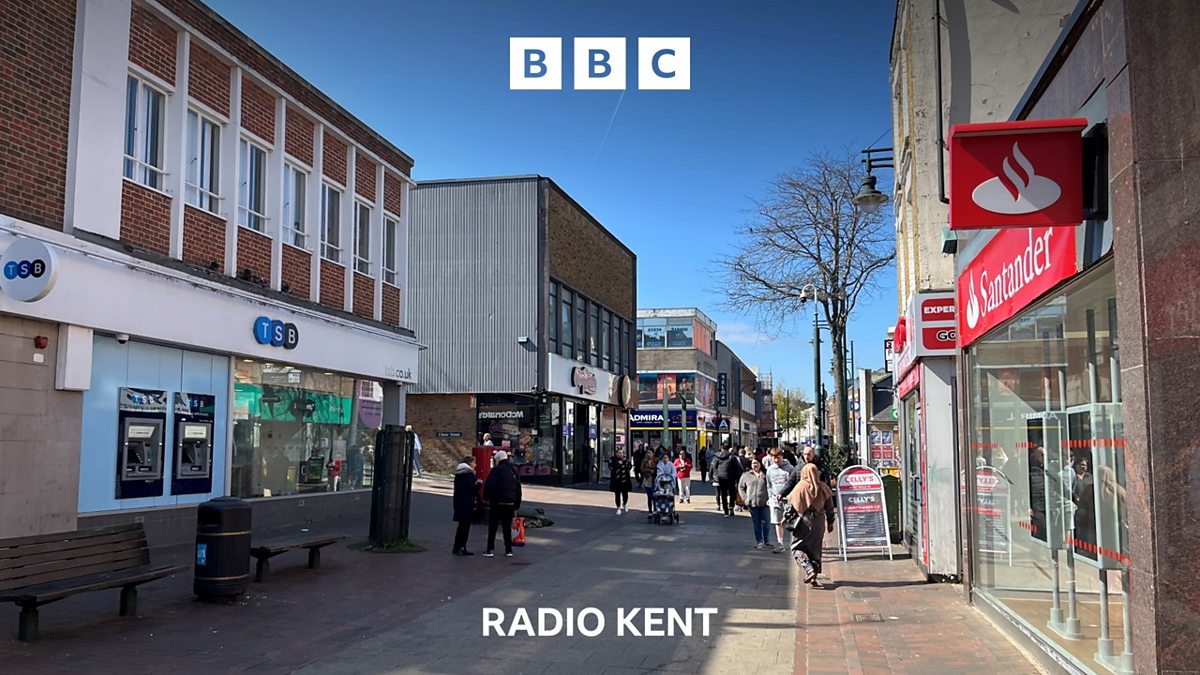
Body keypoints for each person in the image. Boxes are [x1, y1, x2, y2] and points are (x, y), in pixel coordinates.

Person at [787, 447, 836, 586]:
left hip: (804, 521)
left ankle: (809, 570)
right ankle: (814, 576)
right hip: (819, 522)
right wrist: (830, 522)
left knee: (797, 547)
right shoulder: (823, 487)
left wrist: (786, 517)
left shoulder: (800, 487)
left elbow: (792, 505)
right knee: (815, 548)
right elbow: (830, 506)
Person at [482, 450, 522, 558]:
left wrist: (486, 497)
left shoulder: (496, 470)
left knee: (493, 527)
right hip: (510, 503)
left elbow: (489, 486)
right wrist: (516, 505)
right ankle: (508, 550)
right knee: (506, 527)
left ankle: (490, 549)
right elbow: (518, 489)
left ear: (498, 459)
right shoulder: (514, 471)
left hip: (497, 502)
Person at [766, 450, 798, 552]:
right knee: (778, 521)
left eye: (778, 457)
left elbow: (794, 483)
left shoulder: (790, 468)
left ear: (781, 456)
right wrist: (770, 497)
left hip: (788, 500)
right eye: (774, 458)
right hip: (775, 500)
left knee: (792, 522)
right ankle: (780, 543)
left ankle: (795, 543)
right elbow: (769, 485)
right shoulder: (770, 470)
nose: (776, 460)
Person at [738, 458, 771, 548]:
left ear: (760, 464)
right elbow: (741, 487)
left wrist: (770, 498)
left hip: (764, 503)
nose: (755, 465)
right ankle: (759, 541)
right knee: (756, 523)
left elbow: (771, 487)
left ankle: (766, 541)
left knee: (766, 523)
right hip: (752, 503)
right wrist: (745, 499)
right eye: (753, 463)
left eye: (756, 463)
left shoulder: (766, 474)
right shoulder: (746, 475)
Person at [452, 455, 481, 555]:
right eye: (474, 463)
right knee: (465, 527)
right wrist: (479, 484)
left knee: (461, 526)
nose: (475, 465)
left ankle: (456, 547)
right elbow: (472, 489)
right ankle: (462, 547)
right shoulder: (469, 474)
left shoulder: (459, 473)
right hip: (466, 503)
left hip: (459, 502)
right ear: (469, 463)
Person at [712, 445, 743, 517]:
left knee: (723, 494)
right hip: (731, 477)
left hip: (721, 477)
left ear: (721, 449)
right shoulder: (732, 457)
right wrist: (738, 478)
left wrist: (715, 477)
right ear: (728, 449)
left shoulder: (717, 457)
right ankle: (731, 507)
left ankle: (725, 511)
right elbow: (737, 468)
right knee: (732, 493)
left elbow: (714, 468)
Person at [608, 449, 633, 515]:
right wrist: (617, 465)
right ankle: (618, 507)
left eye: (621, 453)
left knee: (625, 494)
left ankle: (624, 503)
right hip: (616, 480)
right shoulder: (613, 459)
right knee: (617, 494)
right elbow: (610, 467)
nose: (620, 454)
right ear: (616, 453)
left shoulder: (626, 460)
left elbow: (629, 466)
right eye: (619, 453)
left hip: (625, 480)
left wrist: (624, 465)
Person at [639, 449, 658, 514]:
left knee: (655, 495)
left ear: (653, 453)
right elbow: (642, 469)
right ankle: (650, 511)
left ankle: (655, 509)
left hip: (655, 479)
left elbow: (658, 468)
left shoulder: (656, 460)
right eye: (647, 453)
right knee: (649, 496)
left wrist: (654, 471)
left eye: (650, 453)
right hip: (647, 479)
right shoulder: (644, 460)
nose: (648, 454)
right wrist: (649, 471)